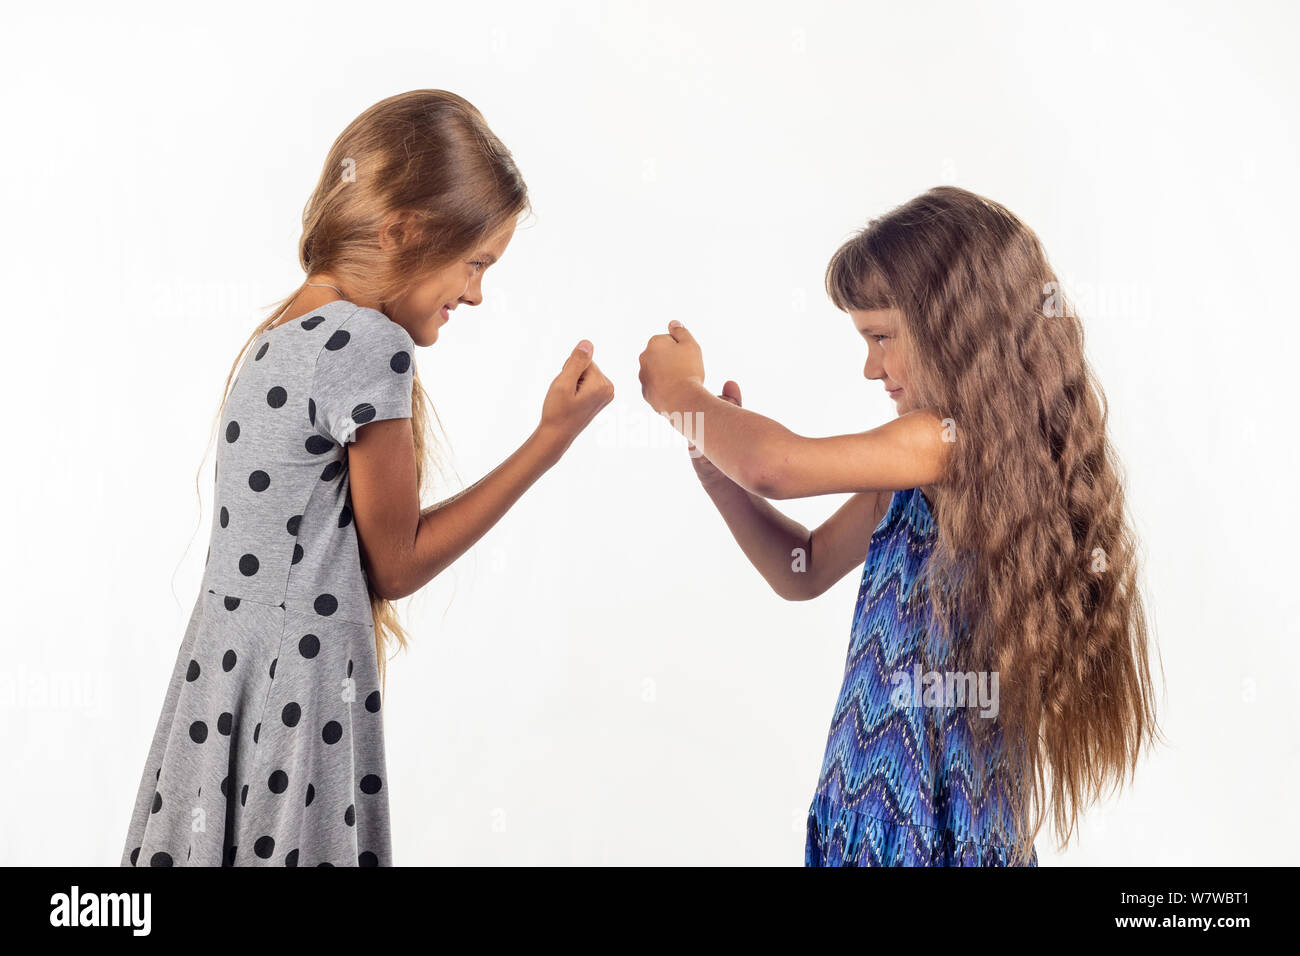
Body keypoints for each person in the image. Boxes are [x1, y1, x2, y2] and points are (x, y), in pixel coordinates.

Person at [121, 90, 613, 867]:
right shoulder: (366, 342)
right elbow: (398, 561)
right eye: (475, 262)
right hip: (297, 705)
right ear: (404, 232)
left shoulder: (279, 331)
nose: (477, 293)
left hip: (222, 696)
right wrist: (548, 443)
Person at [638, 185, 1163, 866]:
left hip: (919, 828)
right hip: (874, 809)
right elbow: (805, 567)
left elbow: (772, 465)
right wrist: (717, 475)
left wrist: (681, 395)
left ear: (959, 328)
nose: (870, 367)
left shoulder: (947, 444)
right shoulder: (918, 478)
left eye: (881, 337)